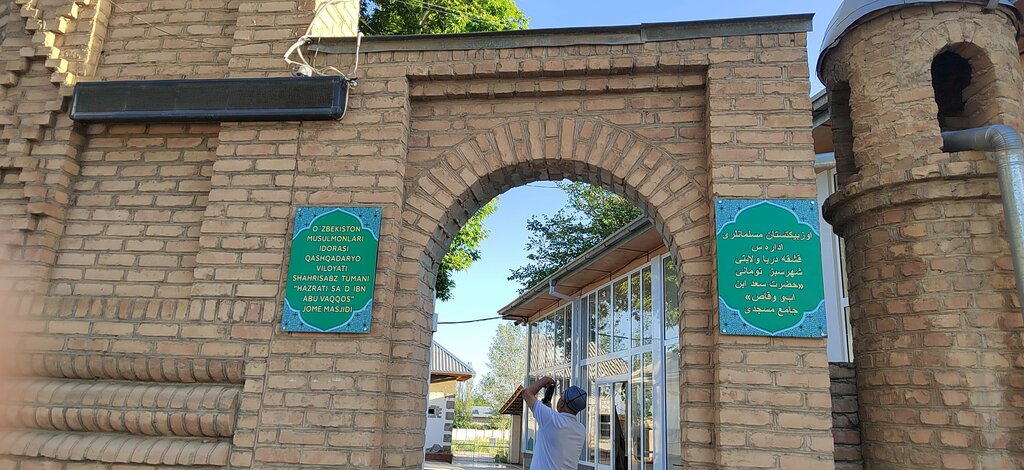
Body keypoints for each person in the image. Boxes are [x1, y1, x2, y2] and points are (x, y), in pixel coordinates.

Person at [522, 376, 588, 470]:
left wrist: (545, 379)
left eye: (561, 396)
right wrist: (548, 411)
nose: (559, 398)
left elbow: (526, 393)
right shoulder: (581, 430)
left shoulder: (550, 419)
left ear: (561, 404)